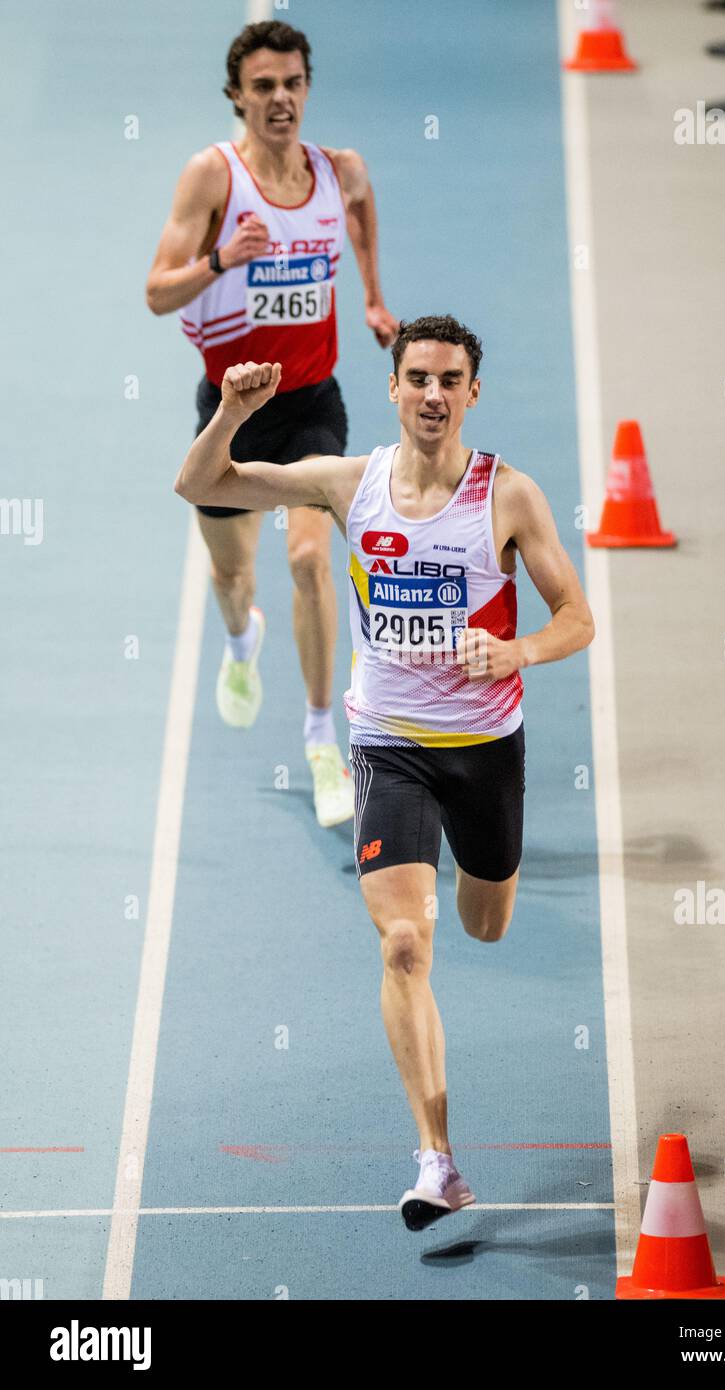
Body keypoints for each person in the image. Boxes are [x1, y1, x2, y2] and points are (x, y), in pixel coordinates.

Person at [174, 316, 596, 1230]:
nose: (434, 395)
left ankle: (481, 886)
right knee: (406, 942)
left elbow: (578, 619)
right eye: (418, 379)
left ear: (471, 394)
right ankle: (437, 1160)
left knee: (485, 925)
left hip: (485, 752)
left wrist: (516, 650)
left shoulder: (508, 496)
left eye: (451, 380)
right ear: (395, 390)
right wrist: (234, 414)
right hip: (389, 747)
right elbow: (200, 482)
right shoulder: (347, 482)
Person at [146, 19, 398, 828]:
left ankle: (324, 739)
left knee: (307, 561)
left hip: (311, 405)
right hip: (230, 412)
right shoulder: (210, 179)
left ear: (307, 88)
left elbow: (359, 209)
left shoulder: (339, 169)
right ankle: (240, 640)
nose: (280, 98)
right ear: (237, 97)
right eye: (263, 86)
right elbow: (157, 291)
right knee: (233, 578)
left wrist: (370, 294)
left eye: (292, 83)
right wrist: (225, 259)